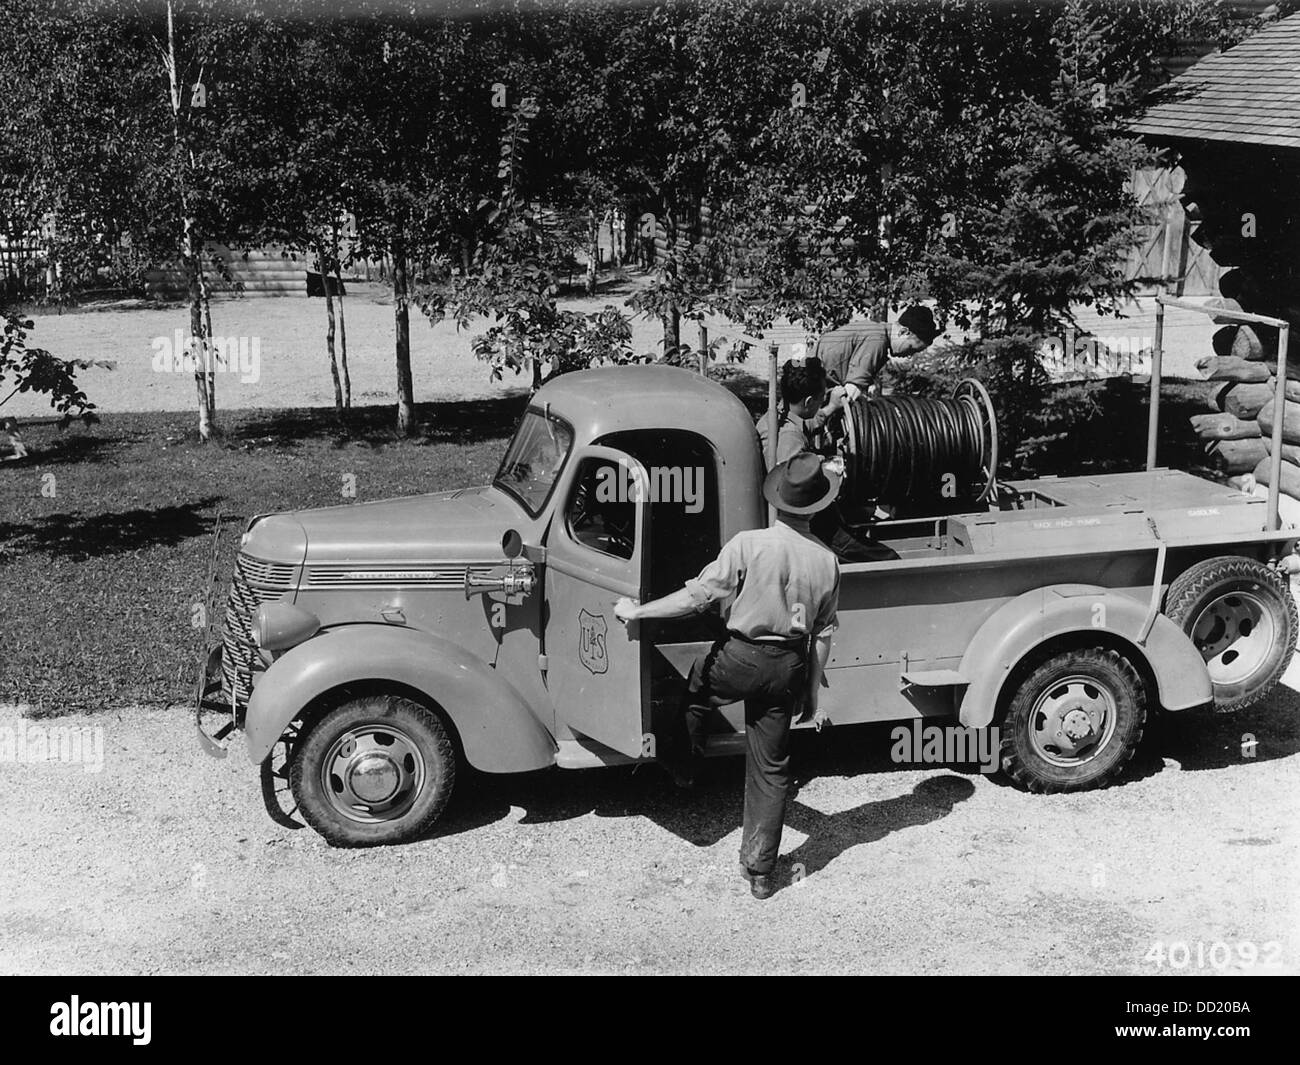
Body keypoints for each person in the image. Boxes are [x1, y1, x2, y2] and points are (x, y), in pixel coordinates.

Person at [614, 452, 841, 900]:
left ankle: (684, 767)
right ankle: (759, 872)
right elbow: (822, 636)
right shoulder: (827, 562)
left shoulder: (748, 544)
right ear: (817, 508)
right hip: (787, 667)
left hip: (738, 659)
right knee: (771, 767)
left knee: (696, 687)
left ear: (778, 502)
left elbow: (697, 596)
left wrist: (637, 612)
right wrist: (811, 692)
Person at [757, 358, 898, 563]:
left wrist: (831, 407)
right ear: (808, 402)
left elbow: (809, 421)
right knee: (886, 558)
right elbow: (798, 491)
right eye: (822, 397)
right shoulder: (788, 438)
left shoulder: (782, 414)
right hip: (807, 520)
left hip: (807, 513)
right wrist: (829, 466)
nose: (823, 401)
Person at [815, 305, 940, 402]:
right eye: (911, 348)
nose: (909, 355)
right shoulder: (877, 340)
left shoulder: (874, 331)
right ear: (903, 332)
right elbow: (851, 392)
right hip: (810, 390)